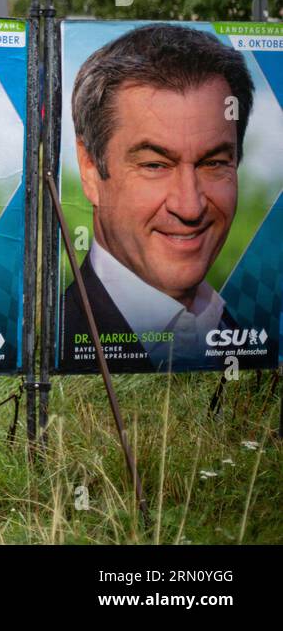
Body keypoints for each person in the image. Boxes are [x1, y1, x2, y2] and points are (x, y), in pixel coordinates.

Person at [62, 23, 256, 372]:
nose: (190, 206)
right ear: (89, 167)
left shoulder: (256, 345)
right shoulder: (55, 343)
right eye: (155, 165)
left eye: (213, 163)